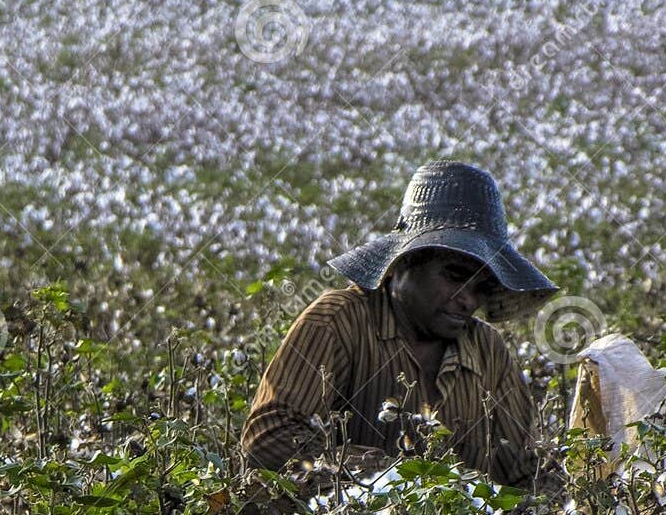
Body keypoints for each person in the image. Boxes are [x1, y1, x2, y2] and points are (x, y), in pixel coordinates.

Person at [241, 161, 562, 492]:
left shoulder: (487, 350)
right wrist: (384, 478)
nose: (468, 300)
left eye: (482, 287)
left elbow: (525, 471)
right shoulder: (337, 322)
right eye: (454, 276)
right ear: (401, 263)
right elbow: (268, 441)